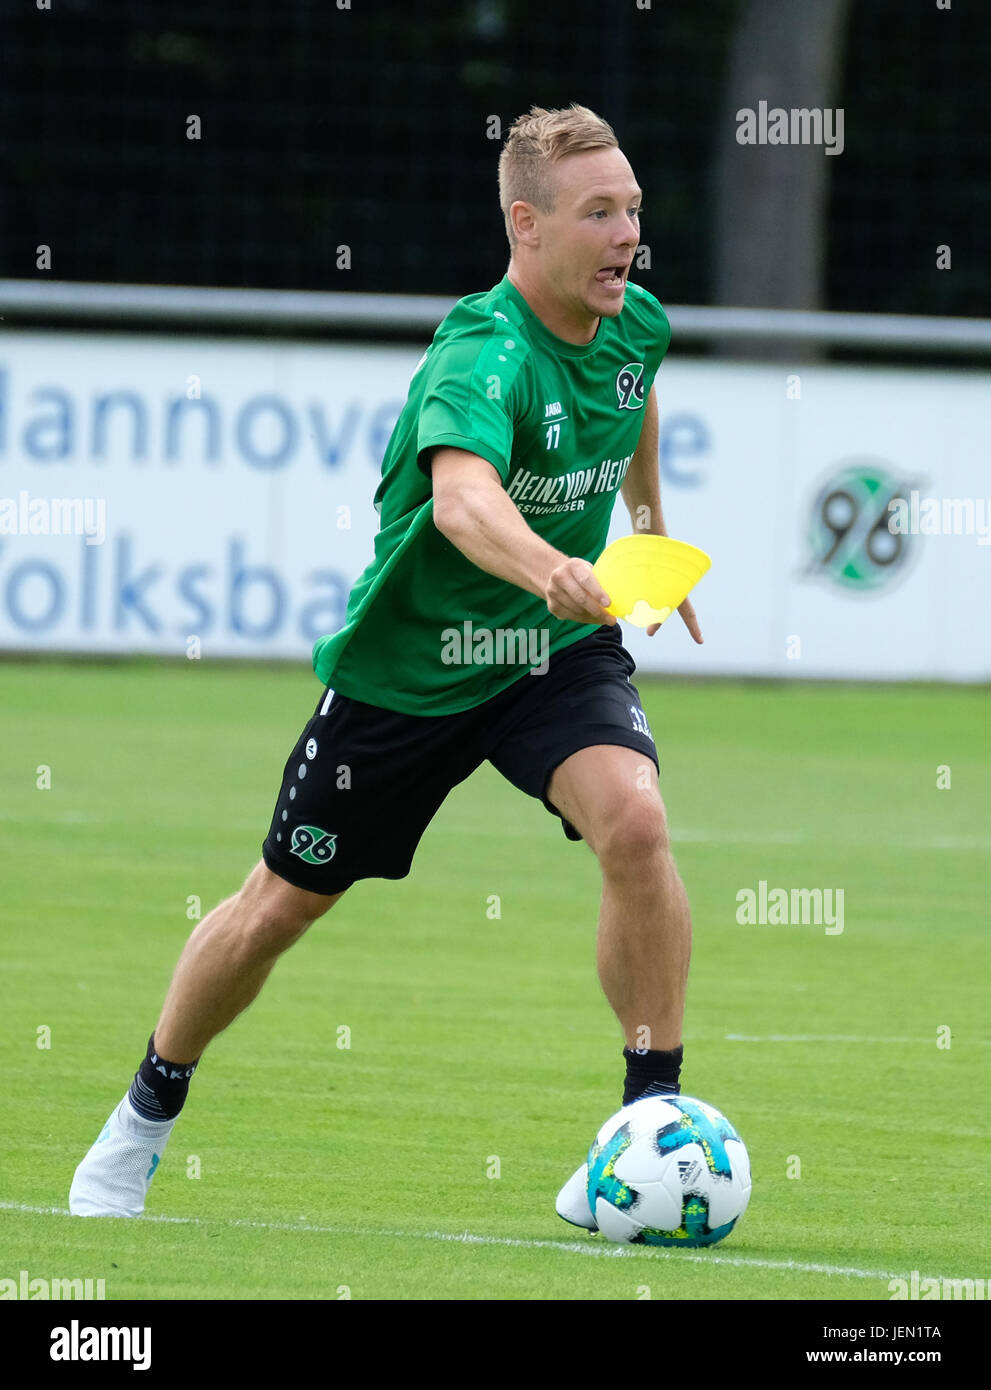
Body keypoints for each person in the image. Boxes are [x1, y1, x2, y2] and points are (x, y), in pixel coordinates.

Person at [69, 103, 702, 1231]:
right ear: (527, 225)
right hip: (411, 670)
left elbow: (635, 394)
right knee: (276, 908)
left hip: (548, 651)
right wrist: (550, 559)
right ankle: (143, 1117)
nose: (626, 236)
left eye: (634, 211)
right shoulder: (482, 350)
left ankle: (648, 1121)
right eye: (599, 213)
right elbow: (462, 501)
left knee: (637, 823)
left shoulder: (634, 322)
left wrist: (648, 532)